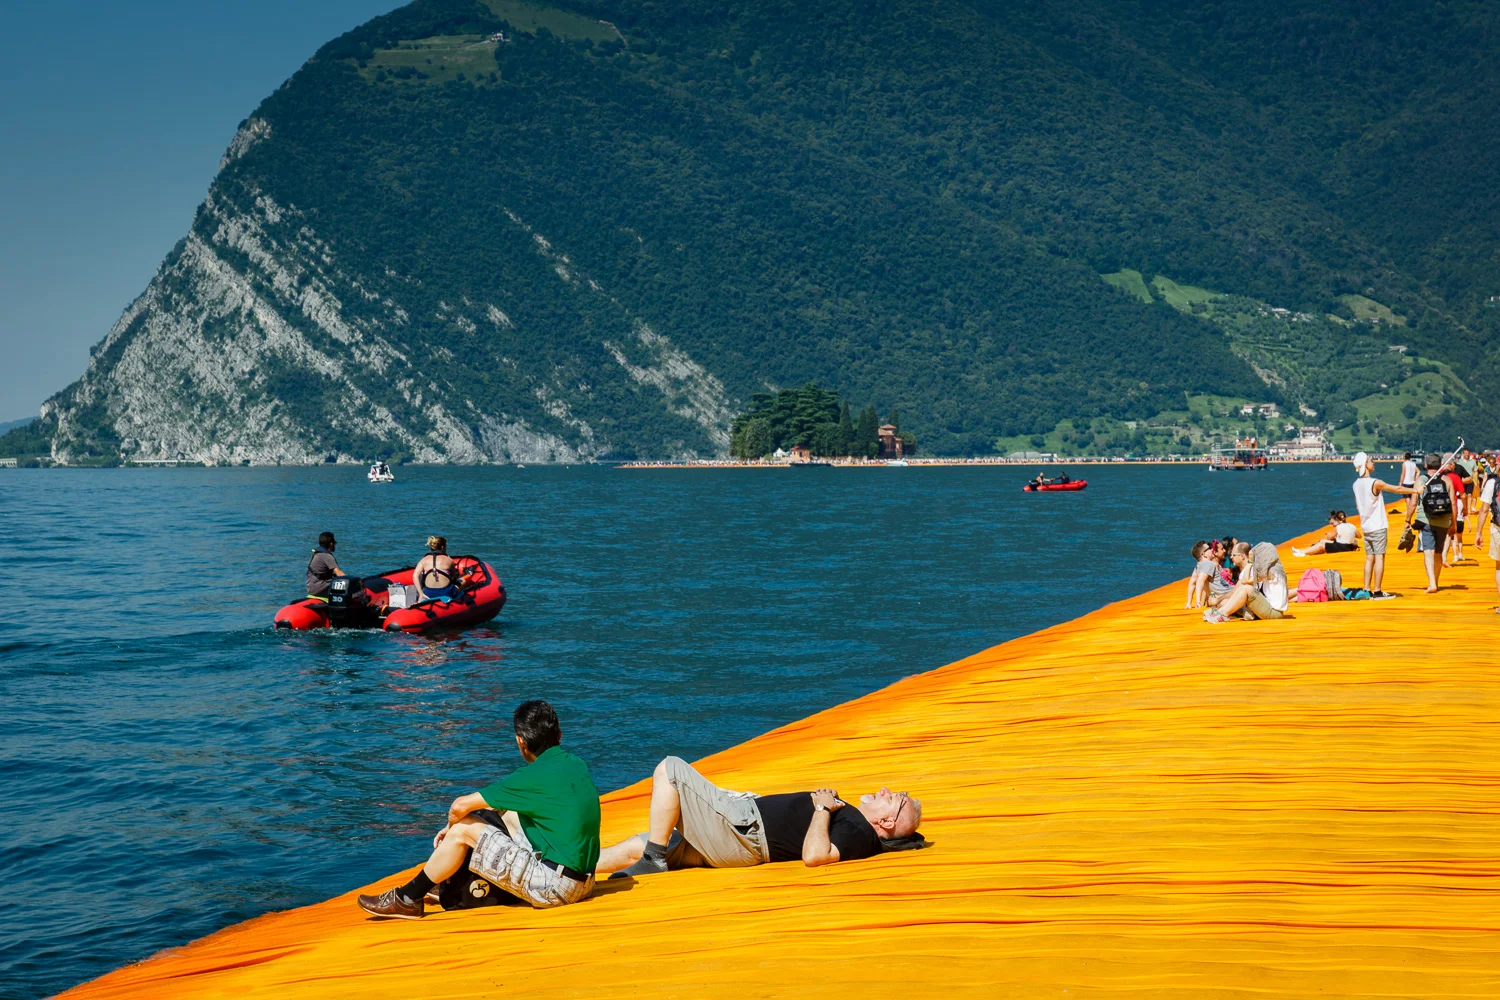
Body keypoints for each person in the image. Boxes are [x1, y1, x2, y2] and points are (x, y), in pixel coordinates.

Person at [357, 700, 600, 919]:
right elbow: (496, 806)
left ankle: (407, 898)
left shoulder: (532, 776)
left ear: (521, 742)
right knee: (504, 813)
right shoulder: (576, 765)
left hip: (555, 888)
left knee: (465, 827)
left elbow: (459, 806)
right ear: (559, 734)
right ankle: (440, 876)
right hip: (586, 883)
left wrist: (450, 830)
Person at [597, 756, 922, 879]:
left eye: (891, 798)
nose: (883, 789)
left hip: (743, 831)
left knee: (670, 770)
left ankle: (654, 859)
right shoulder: (857, 826)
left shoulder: (859, 833)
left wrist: (822, 808)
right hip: (740, 829)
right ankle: (573, 868)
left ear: (888, 823)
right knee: (632, 847)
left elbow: (814, 856)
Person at [1344, 452, 1420, 598]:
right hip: (1377, 525)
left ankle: (1366, 590)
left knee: (1369, 557)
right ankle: (1377, 591)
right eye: (1371, 461)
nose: (1374, 463)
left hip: (1366, 526)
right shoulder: (1375, 482)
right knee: (1379, 557)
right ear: (1365, 464)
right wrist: (1415, 490)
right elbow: (1396, 489)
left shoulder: (1356, 484)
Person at [1406, 451, 1457, 593]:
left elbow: (1413, 502)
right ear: (1441, 465)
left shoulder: (1421, 480)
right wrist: (1453, 523)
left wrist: (1408, 519)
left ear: (1426, 465)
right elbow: (1453, 503)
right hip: (1443, 521)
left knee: (1428, 552)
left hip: (1425, 520)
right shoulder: (1447, 480)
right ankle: (1436, 581)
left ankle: (1432, 583)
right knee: (1438, 553)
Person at [1203, 541, 1288, 623]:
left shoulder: (1271, 572)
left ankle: (1223, 614)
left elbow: (1245, 581)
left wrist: (1250, 563)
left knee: (1246, 588)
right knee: (1240, 591)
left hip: (1274, 613)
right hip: (1269, 609)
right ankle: (1220, 612)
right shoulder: (1270, 570)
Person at [1291, 511, 1360, 558]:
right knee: (1323, 541)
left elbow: (1330, 538)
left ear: (1336, 519)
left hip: (1342, 547)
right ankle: (1305, 551)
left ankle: (1304, 553)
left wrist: (1329, 535)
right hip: (1347, 546)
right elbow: (1359, 536)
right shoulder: (1352, 526)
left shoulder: (1338, 527)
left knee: (1322, 544)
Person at [414, 535, 463, 601]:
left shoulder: (423, 560)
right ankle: (462, 600)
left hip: (429, 593)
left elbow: (415, 576)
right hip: (445, 592)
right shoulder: (449, 560)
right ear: (442, 547)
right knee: (463, 581)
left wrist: (420, 593)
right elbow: (454, 578)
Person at [306, 531, 344, 600]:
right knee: (348, 590)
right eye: (334, 543)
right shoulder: (326, 556)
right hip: (320, 590)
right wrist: (355, 583)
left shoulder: (316, 554)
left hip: (312, 588)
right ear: (331, 544)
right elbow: (339, 573)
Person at [1185, 541, 1215, 609]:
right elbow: (1200, 581)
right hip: (1217, 595)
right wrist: (1198, 602)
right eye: (1209, 548)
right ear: (1204, 554)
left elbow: (1192, 583)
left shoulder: (1199, 565)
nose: (1212, 549)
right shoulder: (1208, 564)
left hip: (1214, 596)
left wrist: (1189, 602)